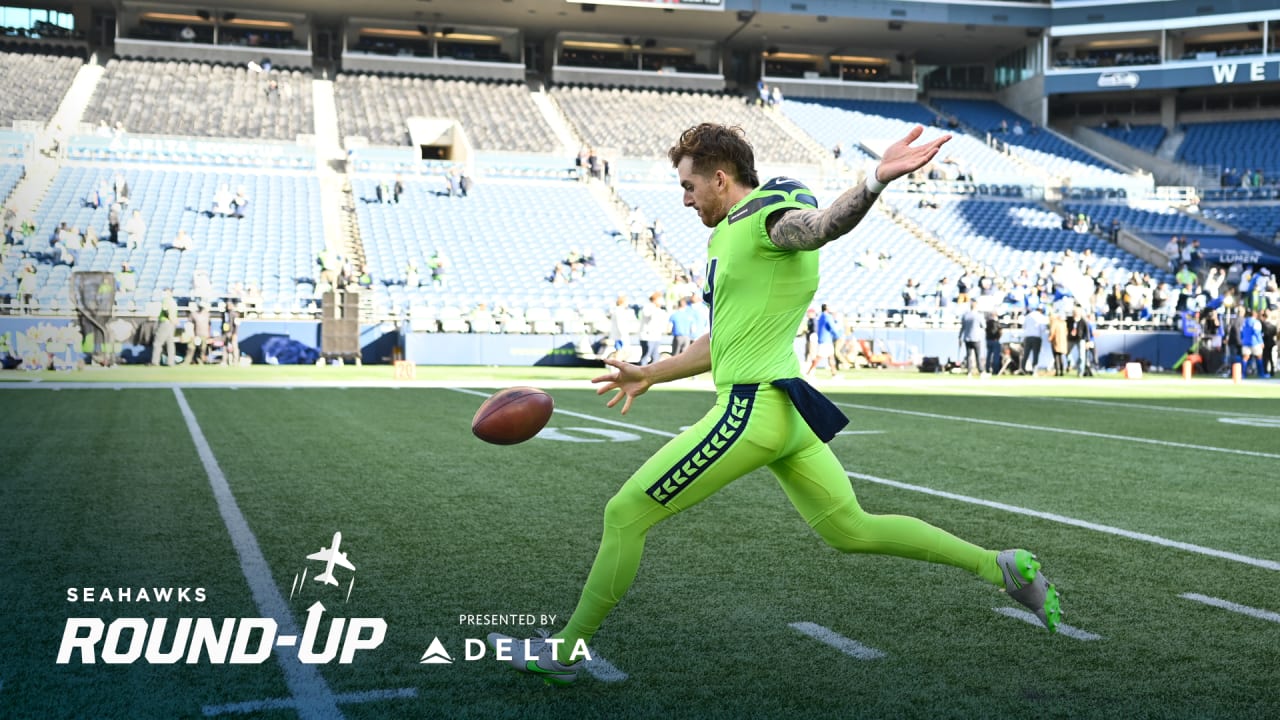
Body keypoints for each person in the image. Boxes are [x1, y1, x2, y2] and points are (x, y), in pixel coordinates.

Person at [487, 123, 1060, 685]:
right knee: (850, 529)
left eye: (689, 188)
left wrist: (874, 180)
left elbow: (817, 226)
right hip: (787, 410)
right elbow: (720, 341)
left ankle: (563, 652)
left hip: (752, 409)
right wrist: (651, 374)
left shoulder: (767, 217)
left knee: (624, 513)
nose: (684, 200)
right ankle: (998, 565)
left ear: (719, 177)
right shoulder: (733, 233)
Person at [150, 288, 178, 366]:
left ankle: (155, 362)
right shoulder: (173, 302)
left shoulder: (167, 300)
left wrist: (171, 318)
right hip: (171, 323)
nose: (164, 294)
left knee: (158, 343)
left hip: (165, 322)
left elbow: (166, 311)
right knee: (170, 343)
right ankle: (171, 362)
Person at [958, 300, 986, 377]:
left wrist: (959, 337)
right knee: (978, 356)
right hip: (976, 338)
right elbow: (984, 326)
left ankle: (969, 371)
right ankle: (981, 371)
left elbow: (962, 328)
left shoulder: (966, 315)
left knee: (968, 355)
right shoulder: (979, 315)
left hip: (967, 338)